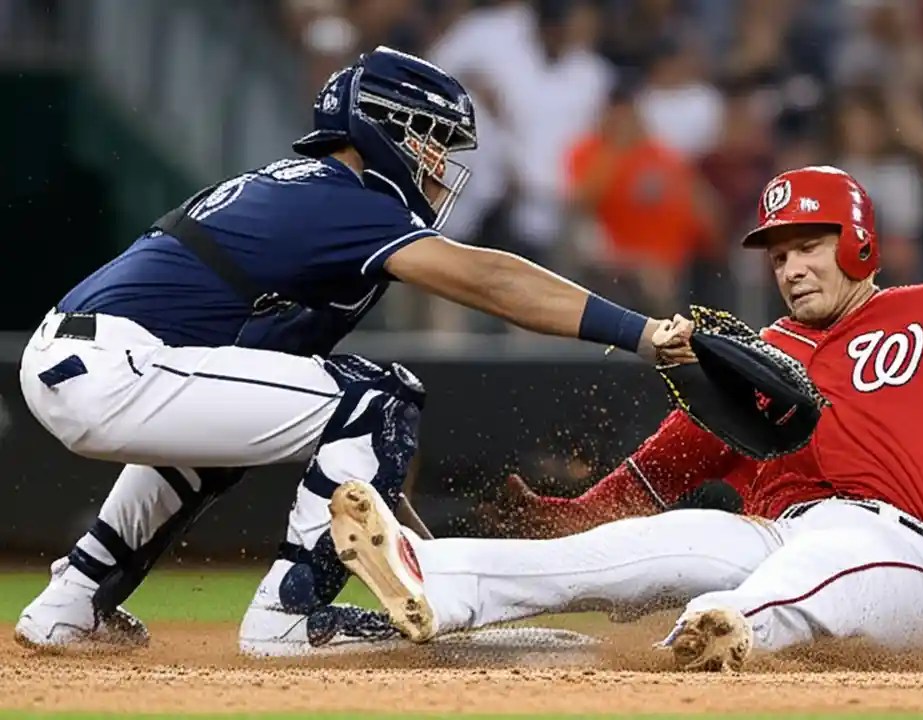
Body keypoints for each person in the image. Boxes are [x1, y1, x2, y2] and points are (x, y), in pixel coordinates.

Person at [328, 165, 923, 670]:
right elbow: (656, 479)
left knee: (808, 568)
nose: (791, 266)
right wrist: (566, 520)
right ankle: (435, 579)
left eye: (809, 244)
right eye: (778, 253)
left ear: (859, 242)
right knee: (631, 554)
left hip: (899, 555)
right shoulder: (757, 358)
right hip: (775, 536)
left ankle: (715, 631)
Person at [14, 46, 693, 657]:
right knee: (380, 396)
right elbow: (492, 280)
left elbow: (336, 434)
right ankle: (291, 614)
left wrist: (431, 571)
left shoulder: (304, 193)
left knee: (241, 444)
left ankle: (72, 605)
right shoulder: (345, 199)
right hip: (113, 364)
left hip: (89, 359)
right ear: (379, 129)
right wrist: (641, 332)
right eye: (429, 140)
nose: (437, 164)